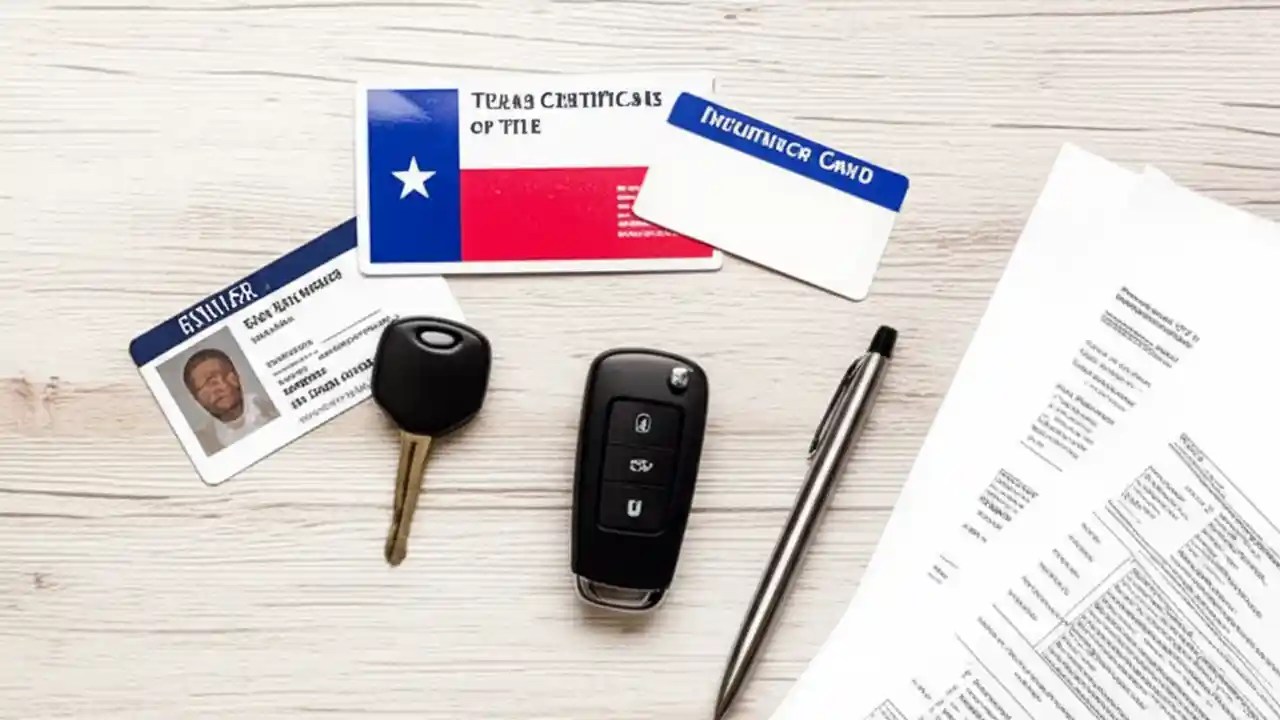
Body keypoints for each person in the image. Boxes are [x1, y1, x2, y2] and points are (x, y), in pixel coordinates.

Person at [182, 347, 278, 455]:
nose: (222, 385)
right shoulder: (199, 446)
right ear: (196, 397)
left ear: (236, 377)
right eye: (210, 382)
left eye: (226, 376)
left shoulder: (275, 409)